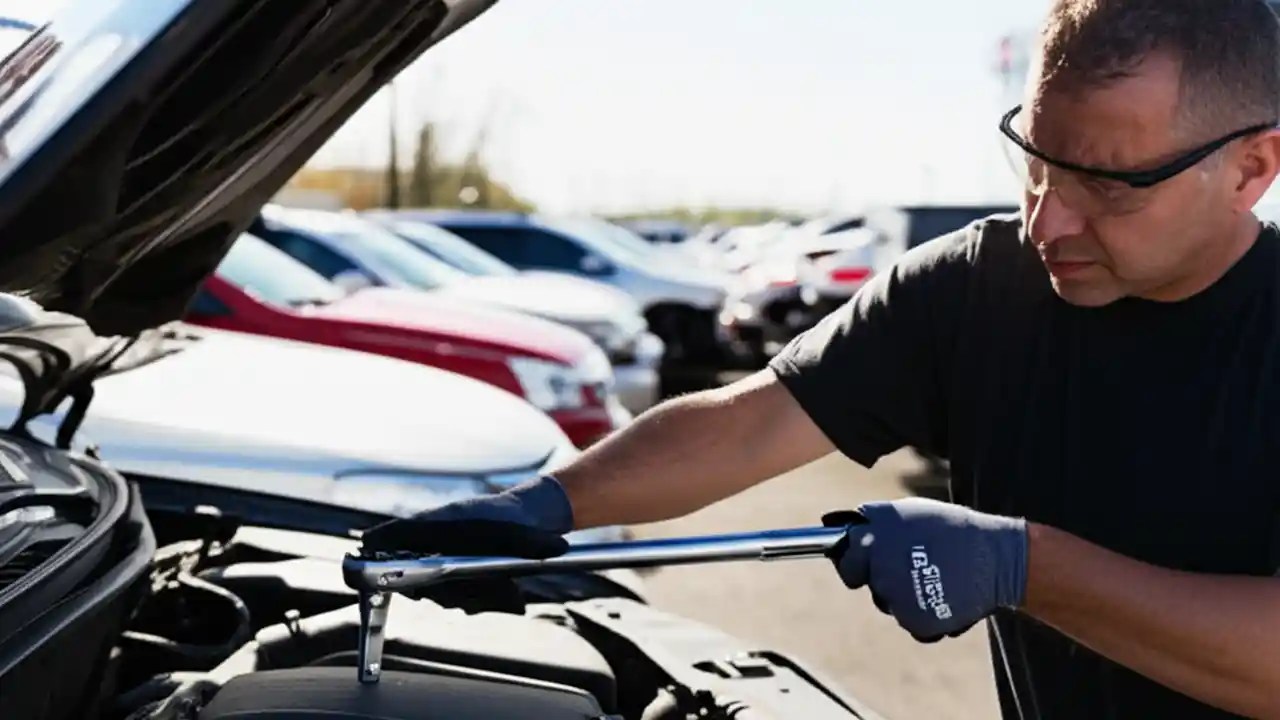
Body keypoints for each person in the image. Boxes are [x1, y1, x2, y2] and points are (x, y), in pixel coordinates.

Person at [362, 1, 1280, 717]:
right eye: (1035, 164)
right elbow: (751, 423)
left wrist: (1021, 564)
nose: (1048, 221)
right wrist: (546, 507)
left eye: (1108, 186)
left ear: (1250, 169)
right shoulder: (976, 290)